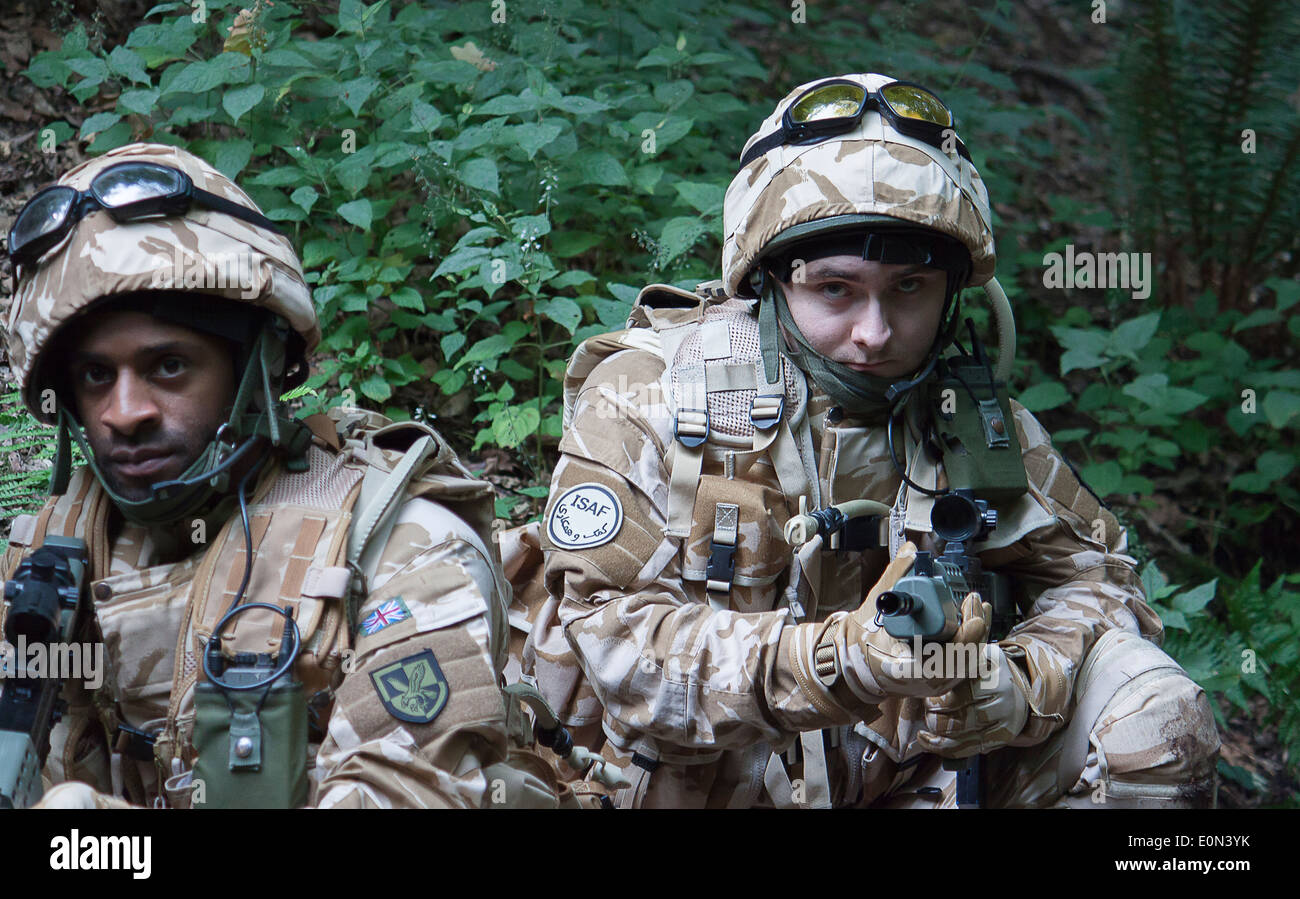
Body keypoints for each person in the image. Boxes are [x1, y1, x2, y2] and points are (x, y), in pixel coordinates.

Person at [516, 73, 1221, 808]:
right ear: (768, 280)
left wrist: (1018, 683)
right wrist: (844, 659)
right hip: (682, 787)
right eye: (835, 289)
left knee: (1158, 720)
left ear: (952, 292)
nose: (875, 333)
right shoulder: (651, 393)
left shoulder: (965, 417)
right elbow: (613, 648)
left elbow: (1101, 580)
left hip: (896, 777)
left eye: (910, 288)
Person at [1, 142, 561, 808]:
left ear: (255, 367)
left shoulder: (397, 545)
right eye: (96, 376)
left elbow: (405, 793)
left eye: (169, 366)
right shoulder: (50, 550)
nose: (125, 412)